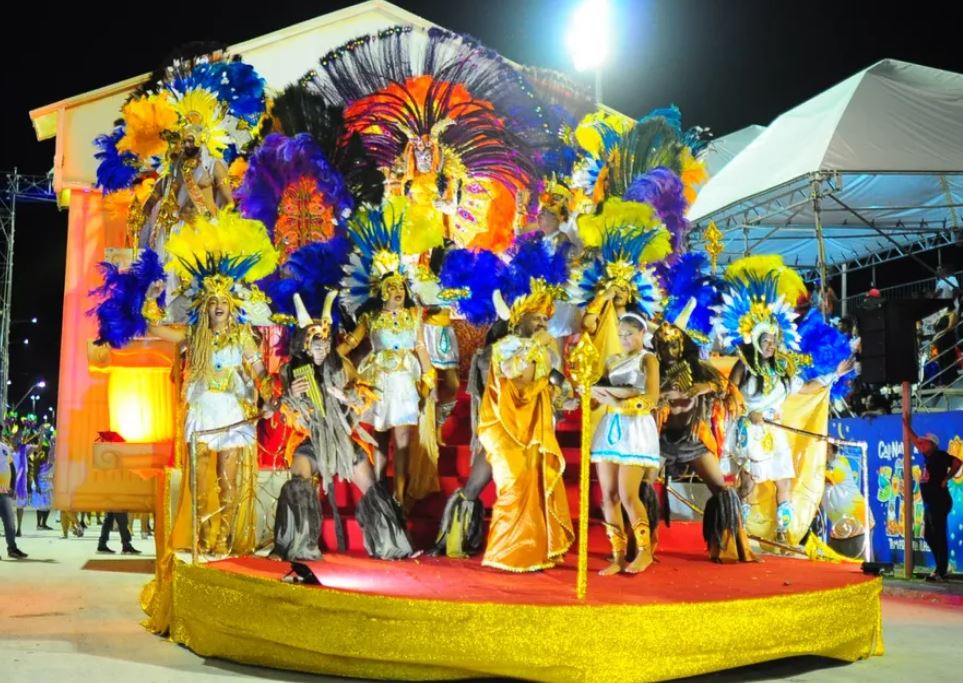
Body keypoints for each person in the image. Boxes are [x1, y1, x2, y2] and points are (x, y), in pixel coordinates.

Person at [277, 293, 412, 560]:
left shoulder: (342, 366)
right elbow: (284, 414)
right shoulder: (290, 372)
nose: (322, 348)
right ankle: (298, 545)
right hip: (312, 441)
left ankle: (390, 544)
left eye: (326, 342)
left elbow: (364, 396)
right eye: (316, 342)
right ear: (305, 344)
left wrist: (346, 396)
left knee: (372, 487)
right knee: (298, 482)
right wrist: (291, 396)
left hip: (342, 440)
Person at [479, 236, 574, 572]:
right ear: (519, 319)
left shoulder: (541, 348)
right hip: (505, 426)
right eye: (538, 319)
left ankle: (536, 550)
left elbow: (552, 383)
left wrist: (566, 389)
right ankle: (505, 552)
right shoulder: (506, 346)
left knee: (533, 482)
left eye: (546, 321)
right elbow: (516, 380)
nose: (543, 325)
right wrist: (540, 357)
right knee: (514, 482)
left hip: (534, 426)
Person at [590, 313, 661, 575]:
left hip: (637, 428)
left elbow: (652, 398)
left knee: (628, 494)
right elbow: (601, 394)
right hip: (611, 429)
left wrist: (619, 403)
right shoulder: (613, 361)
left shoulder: (648, 359)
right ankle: (617, 556)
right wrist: (589, 396)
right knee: (608, 496)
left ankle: (644, 551)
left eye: (630, 333)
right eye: (620, 335)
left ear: (642, 333)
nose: (624, 339)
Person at [904, 422, 962, 582]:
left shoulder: (940, 455)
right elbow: (916, 441)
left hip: (939, 501)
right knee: (929, 535)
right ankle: (940, 567)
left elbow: (957, 462)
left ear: (933, 444)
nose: (921, 445)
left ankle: (941, 571)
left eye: (925, 442)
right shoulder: (929, 456)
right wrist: (906, 425)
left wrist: (947, 478)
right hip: (930, 502)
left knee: (938, 535)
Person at [0, 440, 28, 560]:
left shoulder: (4, 447)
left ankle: (12, 549)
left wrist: (12, 487)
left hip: (4, 490)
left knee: (10, 522)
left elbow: (11, 467)